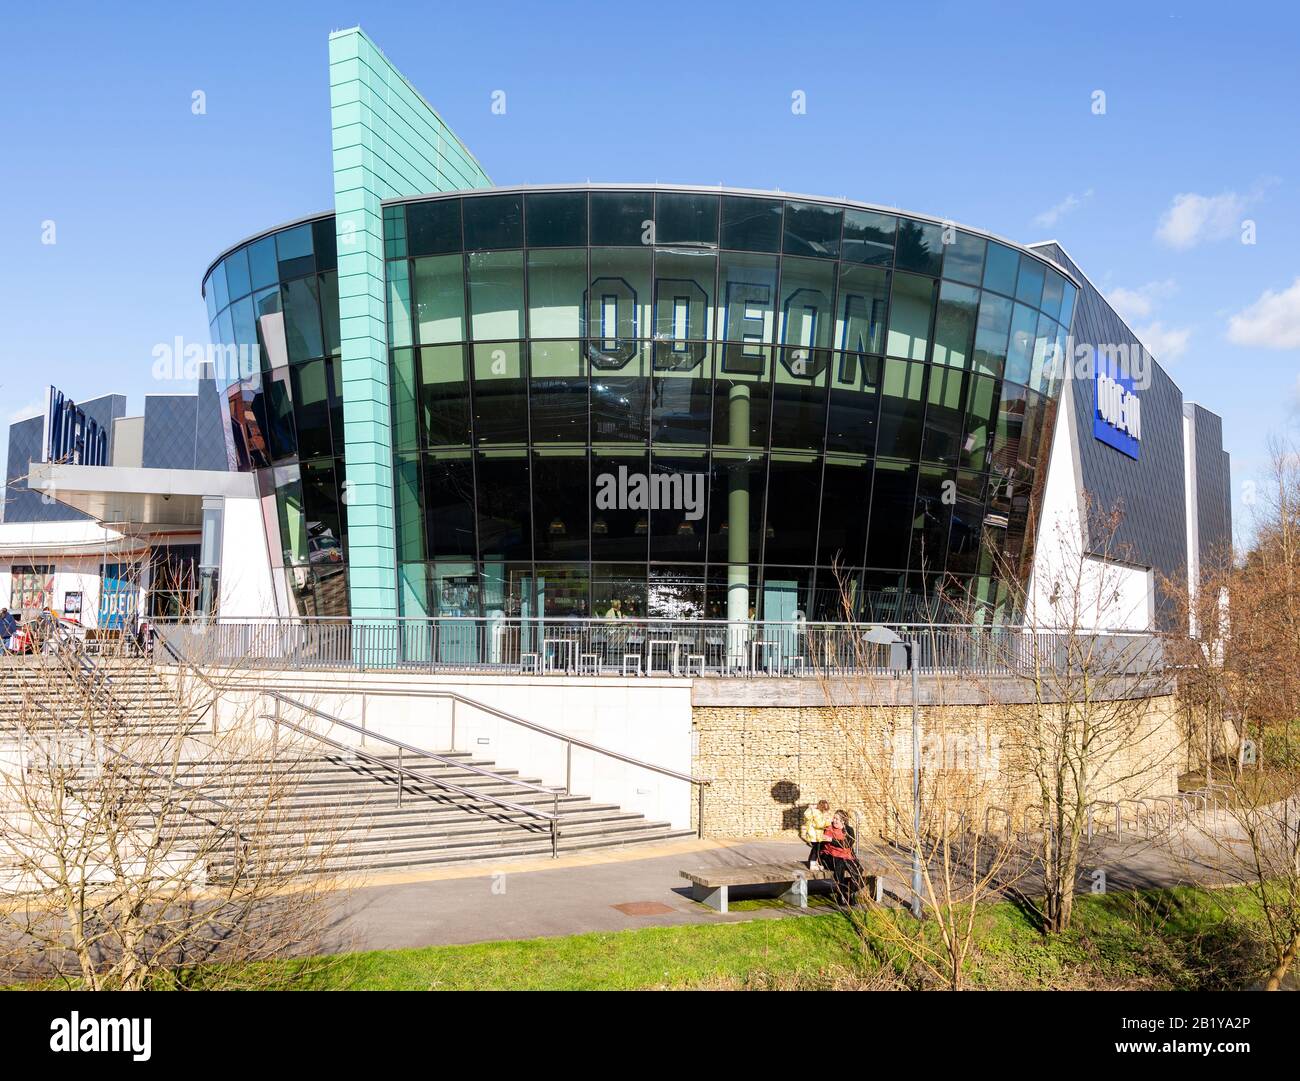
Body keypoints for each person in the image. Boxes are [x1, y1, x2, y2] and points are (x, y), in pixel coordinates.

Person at [821, 809, 866, 906]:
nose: (834, 820)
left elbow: (847, 843)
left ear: (843, 820)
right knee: (840, 864)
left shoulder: (849, 830)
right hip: (830, 856)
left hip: (847, 855)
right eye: (834, 818)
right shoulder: (828, 829)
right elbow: (822, 844)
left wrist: (832, 840)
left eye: (837, 819)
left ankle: (852, 893)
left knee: (856, 870)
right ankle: (840, 894)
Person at [800, 799, 833, 869]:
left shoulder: (814, 812)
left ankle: (812, 863)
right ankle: (812, 865)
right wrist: (828, 822)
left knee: (815, 849)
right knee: (816, 849)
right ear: (822, 808)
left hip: (813, 834)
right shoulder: (817, 813)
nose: (825, 811)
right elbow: (819, 824)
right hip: (815, 835)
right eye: (825, 809)